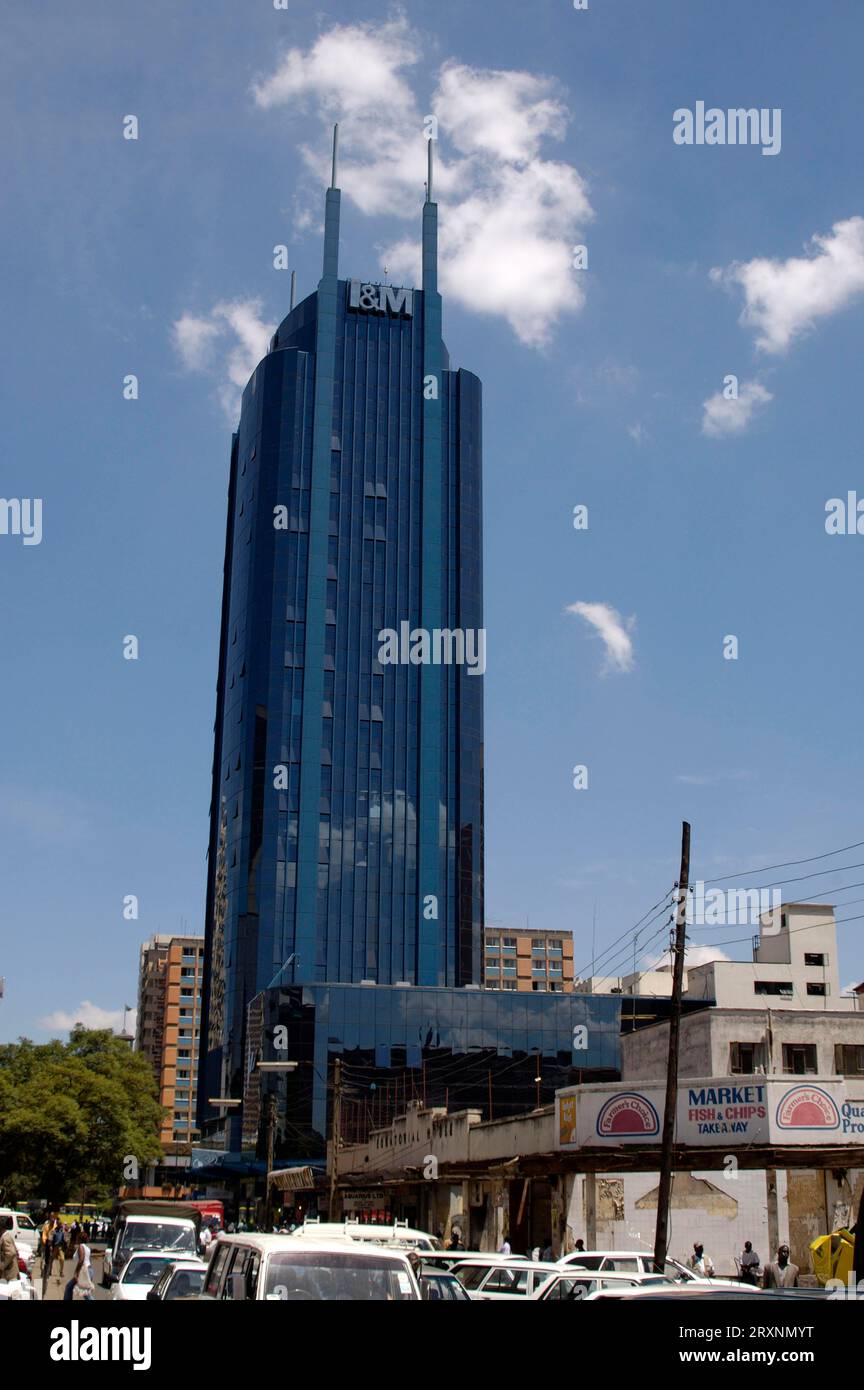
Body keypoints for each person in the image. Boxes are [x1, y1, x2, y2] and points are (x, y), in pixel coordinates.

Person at [63, 1237, 94, 1301]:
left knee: (84, 1293)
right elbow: (89, 1260)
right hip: (89, 1270)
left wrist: (76, 1272)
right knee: (70, 1287)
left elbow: (81, 1260)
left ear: (79, 1239)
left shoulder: (81, 1246)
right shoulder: (87, 1248)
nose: (76, 1240)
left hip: (84, 1271)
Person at [0, 1216, 20, 1291]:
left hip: (10, 1274)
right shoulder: (5, 1236)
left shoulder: (5, 1238)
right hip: (9, 1274)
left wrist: (2, 1266)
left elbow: (11, 1253)